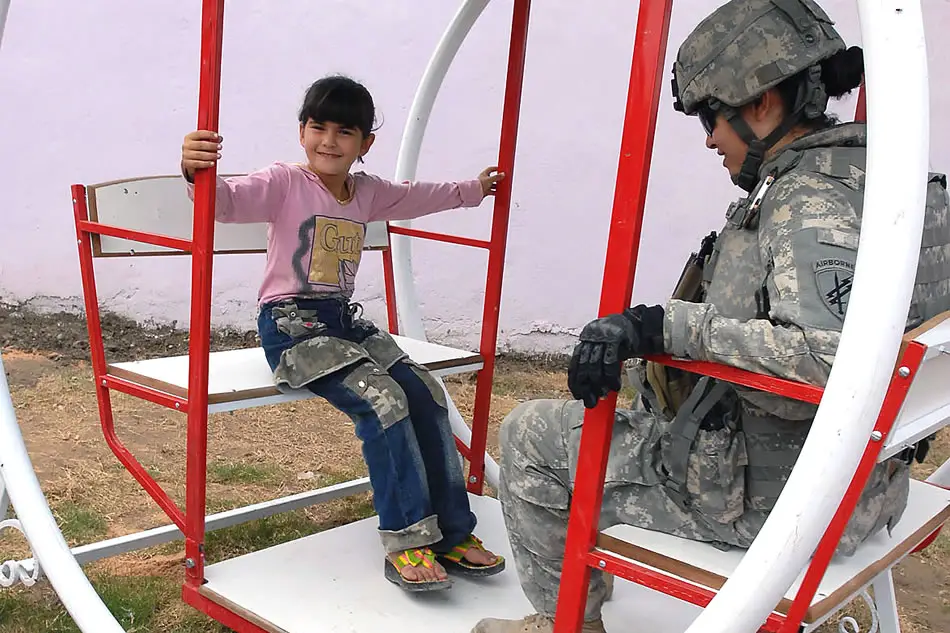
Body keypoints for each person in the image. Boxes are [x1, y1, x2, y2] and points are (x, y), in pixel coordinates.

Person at [472, 0, 950, 631]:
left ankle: (569, 624)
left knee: (531, 437)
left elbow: (826, 359)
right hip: (865, 485)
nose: (708, 138)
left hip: (784, 501)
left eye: (711, 117)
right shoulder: (892, 180)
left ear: (761, 105)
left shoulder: (808, 199)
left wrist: (661, 328)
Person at [181, 74, 506, 593]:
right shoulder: (283, 182)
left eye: (344, 132)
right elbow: (224, 201)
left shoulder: (367, 193)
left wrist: (474, 190)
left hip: (341, 320)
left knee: (424, 393)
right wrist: (195, 168)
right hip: (291, 325)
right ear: (302, 132)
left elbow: (415, 196)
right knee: (382, 401)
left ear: (365, 144)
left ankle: (450, 532)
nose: (328, 141)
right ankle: (406, 537)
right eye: (318, 127)